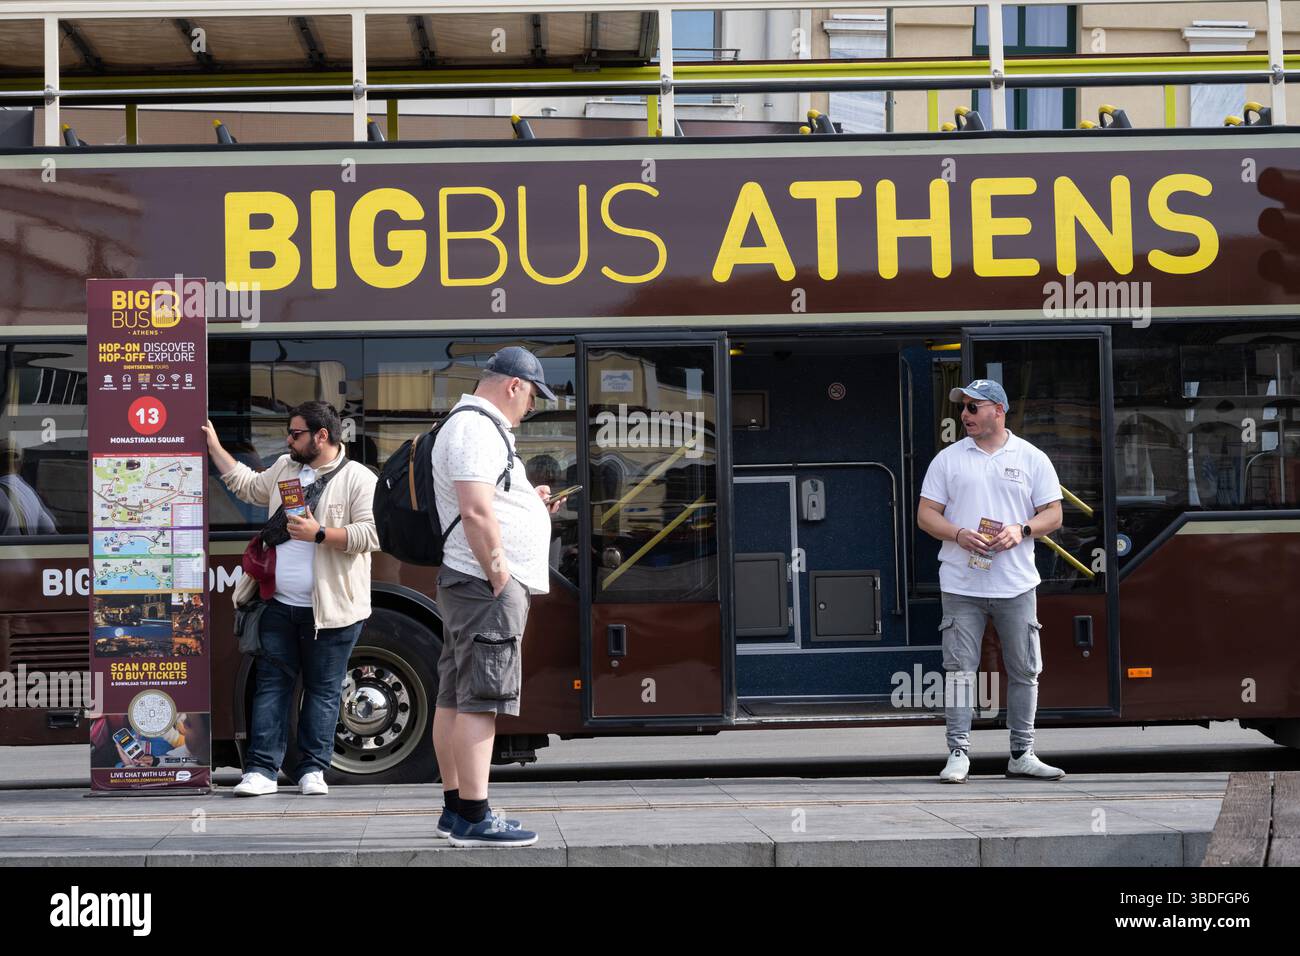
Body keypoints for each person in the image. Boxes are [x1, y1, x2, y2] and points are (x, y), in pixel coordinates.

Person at [202, 401, 378, 797]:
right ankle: (262, 770)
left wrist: (320, 534)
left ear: (322, 436)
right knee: (271, 685)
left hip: (332, 611)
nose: (288, 439)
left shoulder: (357, 479)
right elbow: (247, 485)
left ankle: (312, 769)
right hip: (277, 603)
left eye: (296, 433)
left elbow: (371, 535)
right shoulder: (285, 468)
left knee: (323, 689)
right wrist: (214, 445)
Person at [431, 347, 561, 848]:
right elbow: (476, 510)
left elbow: (490, 502)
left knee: (455, 697)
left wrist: (531, 503)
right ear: (514, 385)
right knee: (482, 701)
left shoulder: (474, 428)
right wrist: (500, 572)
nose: (530, 407)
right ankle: (475, 817)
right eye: (532, 396)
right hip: (484, 587)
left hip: (471, 584)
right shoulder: (476, 429)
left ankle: (454, 809)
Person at [916, 379, 1066, 784]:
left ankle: (1022, 753)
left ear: (998, 411)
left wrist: (1023, 530)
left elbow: (1054, 513)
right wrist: (958, 533)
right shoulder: (948, 460)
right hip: (962, 583)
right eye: (963, 407)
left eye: (972, 407)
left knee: (1024, 670)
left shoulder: (1032, 457)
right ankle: (959, 753)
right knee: (960, 670)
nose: (964, 415)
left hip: (1016, 583)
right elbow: (925, 515)